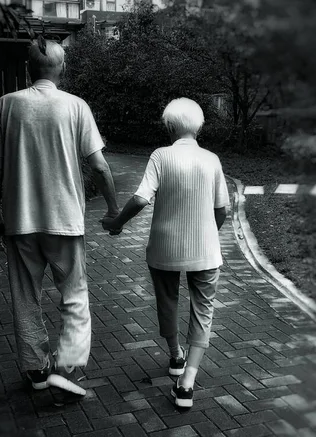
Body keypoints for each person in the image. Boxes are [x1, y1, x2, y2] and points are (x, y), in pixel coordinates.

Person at [0, 36, 119, 395]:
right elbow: (100, 168)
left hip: (19, 221)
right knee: (74, 297)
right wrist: (114, 210)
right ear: (63, 68)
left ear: (29, 69)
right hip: (65, 221)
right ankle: (68, 369)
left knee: (25, 298)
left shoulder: (5, 106)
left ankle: (37, 370)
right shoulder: (76, 107)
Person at [101, 98, 229, 408]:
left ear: (169, 126)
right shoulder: (211, 159)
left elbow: (141, 198)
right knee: (203, 310)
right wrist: (208, 233)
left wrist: (116, 222)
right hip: (206, 250)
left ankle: (175, 357)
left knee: (167, 301)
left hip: (164, 247)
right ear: (198, 126)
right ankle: (187, 383)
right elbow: (221, 210)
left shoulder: (161, 156)